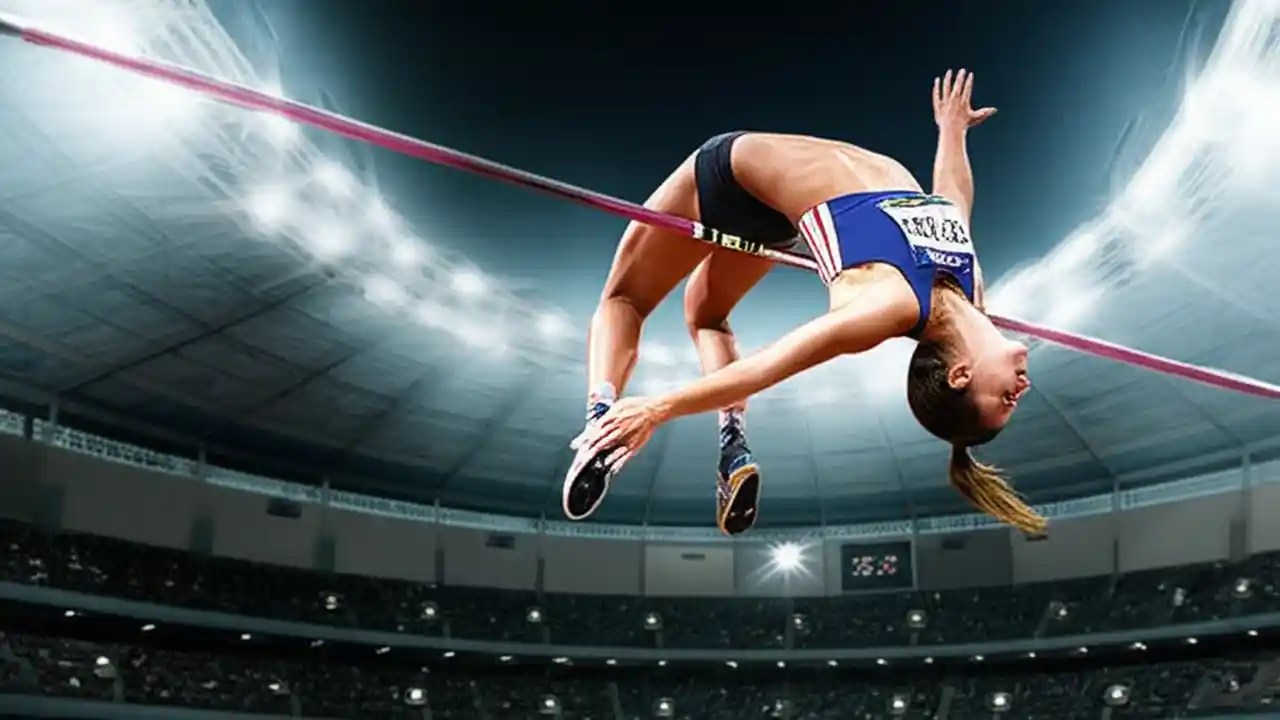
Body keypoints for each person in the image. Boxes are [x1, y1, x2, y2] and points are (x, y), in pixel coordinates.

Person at [566, 70, 1045, 535]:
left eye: (1005, 398)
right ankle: (733, 443)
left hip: (728, 178)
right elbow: (952, 198)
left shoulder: (888, 306)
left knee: (625, 298)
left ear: (960, 374)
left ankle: (599, 429)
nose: (1020, 391)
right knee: (707, 317)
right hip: (775, 219)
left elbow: (770, 364)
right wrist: (952, 131)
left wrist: (656, 408)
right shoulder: (970, 286)